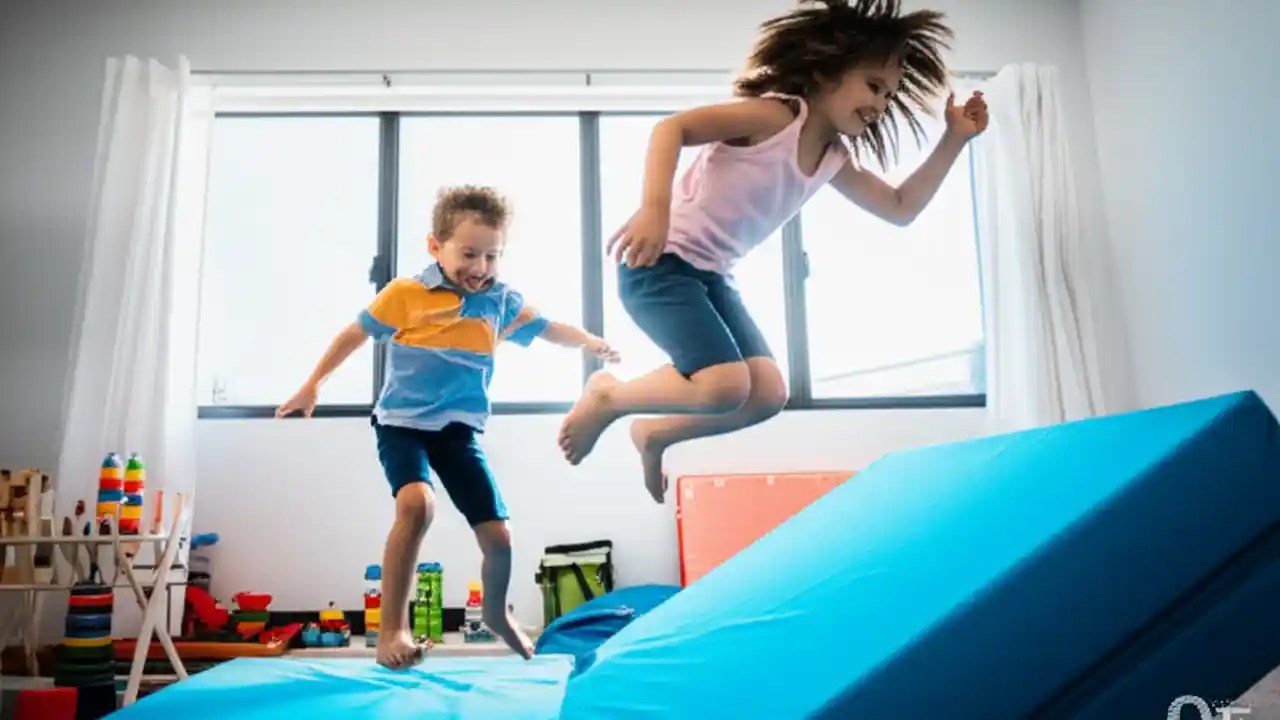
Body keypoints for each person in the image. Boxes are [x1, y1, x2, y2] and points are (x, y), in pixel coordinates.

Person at [557, 0, 989, 502]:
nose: (880, 104)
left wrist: (955, 138)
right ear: (827, 70)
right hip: (660, 263)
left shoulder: (833, 158)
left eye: (889, 97)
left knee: (766, 394)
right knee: (726, 386)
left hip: (711, 276)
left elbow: (899, 207)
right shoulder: (775, 115)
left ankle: (655, 433)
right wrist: (655, 208)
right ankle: (609, 395)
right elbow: (671, 128)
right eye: (874, 85)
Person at [277, 185, 619, 669]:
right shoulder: (406, 295)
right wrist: (313, 384)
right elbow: (353, 334)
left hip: (458, 431)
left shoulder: (499, 303)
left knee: (499, 538)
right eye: (469, 253)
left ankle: (498, 614)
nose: (480, 267)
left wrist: (589, 341)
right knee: (416, 504)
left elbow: (547, 328)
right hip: (403, 425)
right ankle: (391, 631)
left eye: (492, 255)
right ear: (435, 247)